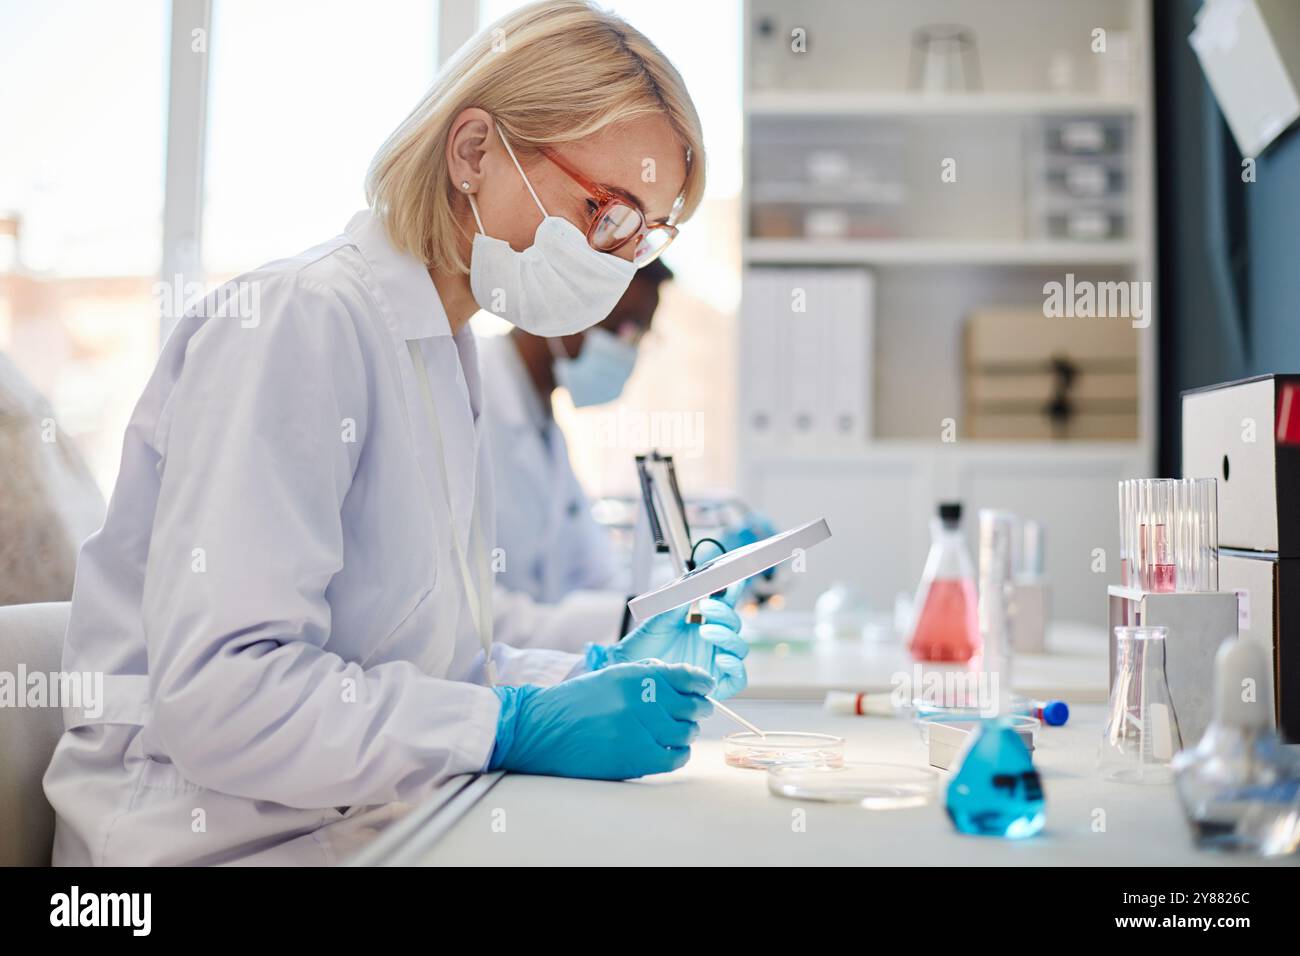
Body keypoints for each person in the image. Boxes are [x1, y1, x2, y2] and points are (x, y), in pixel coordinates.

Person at [43, 0, 747, 866]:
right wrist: (514, 724)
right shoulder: (299, 323)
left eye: (641, 233)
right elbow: (221, 699)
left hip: (351, 820)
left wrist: (588, 672)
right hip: (201, 843)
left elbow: (429, 671)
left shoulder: (437, 351)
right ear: (475, 152)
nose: (615, 262)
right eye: (605, 211)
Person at [477, 259, 672, 642]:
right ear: (561, 303)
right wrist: (624, 624)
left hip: (531, 672)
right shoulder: (470, 396)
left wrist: (700, 583)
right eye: (624, 328)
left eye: (640, 336)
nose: (627, 350)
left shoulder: (543, 421)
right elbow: (470, 616)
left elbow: (593, 576)